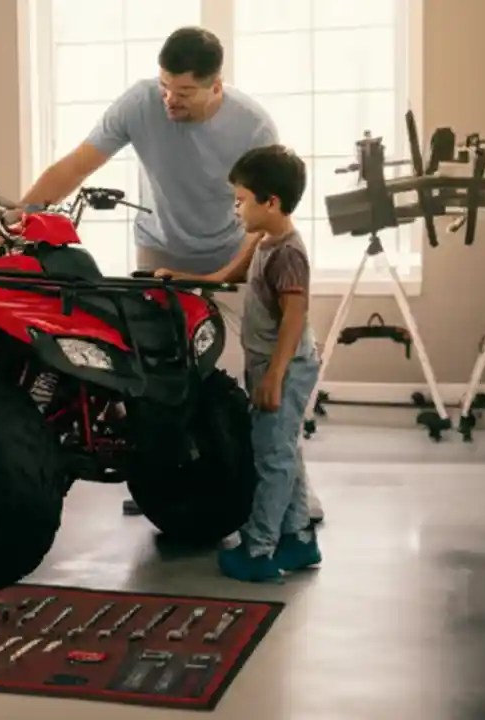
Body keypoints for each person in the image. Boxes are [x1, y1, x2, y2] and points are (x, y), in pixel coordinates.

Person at [0, 26, 323, 519]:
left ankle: (290, 492)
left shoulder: (253, 127)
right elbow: (77, 165)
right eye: (164, 86)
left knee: (264, 376)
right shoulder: (138, 103)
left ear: (216, 86)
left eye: (183, 93)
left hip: (233, 252)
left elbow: (264, 216)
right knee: (149, 372)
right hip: (160, 250)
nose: (168, 100)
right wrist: (22, 219)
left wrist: (223, 273)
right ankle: (156, 476)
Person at [153, 145, 322, 582]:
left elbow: (294, 319)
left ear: (271, 202)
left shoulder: (288, 254)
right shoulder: (264, 240)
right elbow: (225, 276)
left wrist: (275, 376)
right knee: (284, 448)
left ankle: (260, 548)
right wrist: (182, 279)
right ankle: (299, 539)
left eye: (242, 199)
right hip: (267, 362)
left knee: (272, 458)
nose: (235, 207)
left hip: (283, 364)